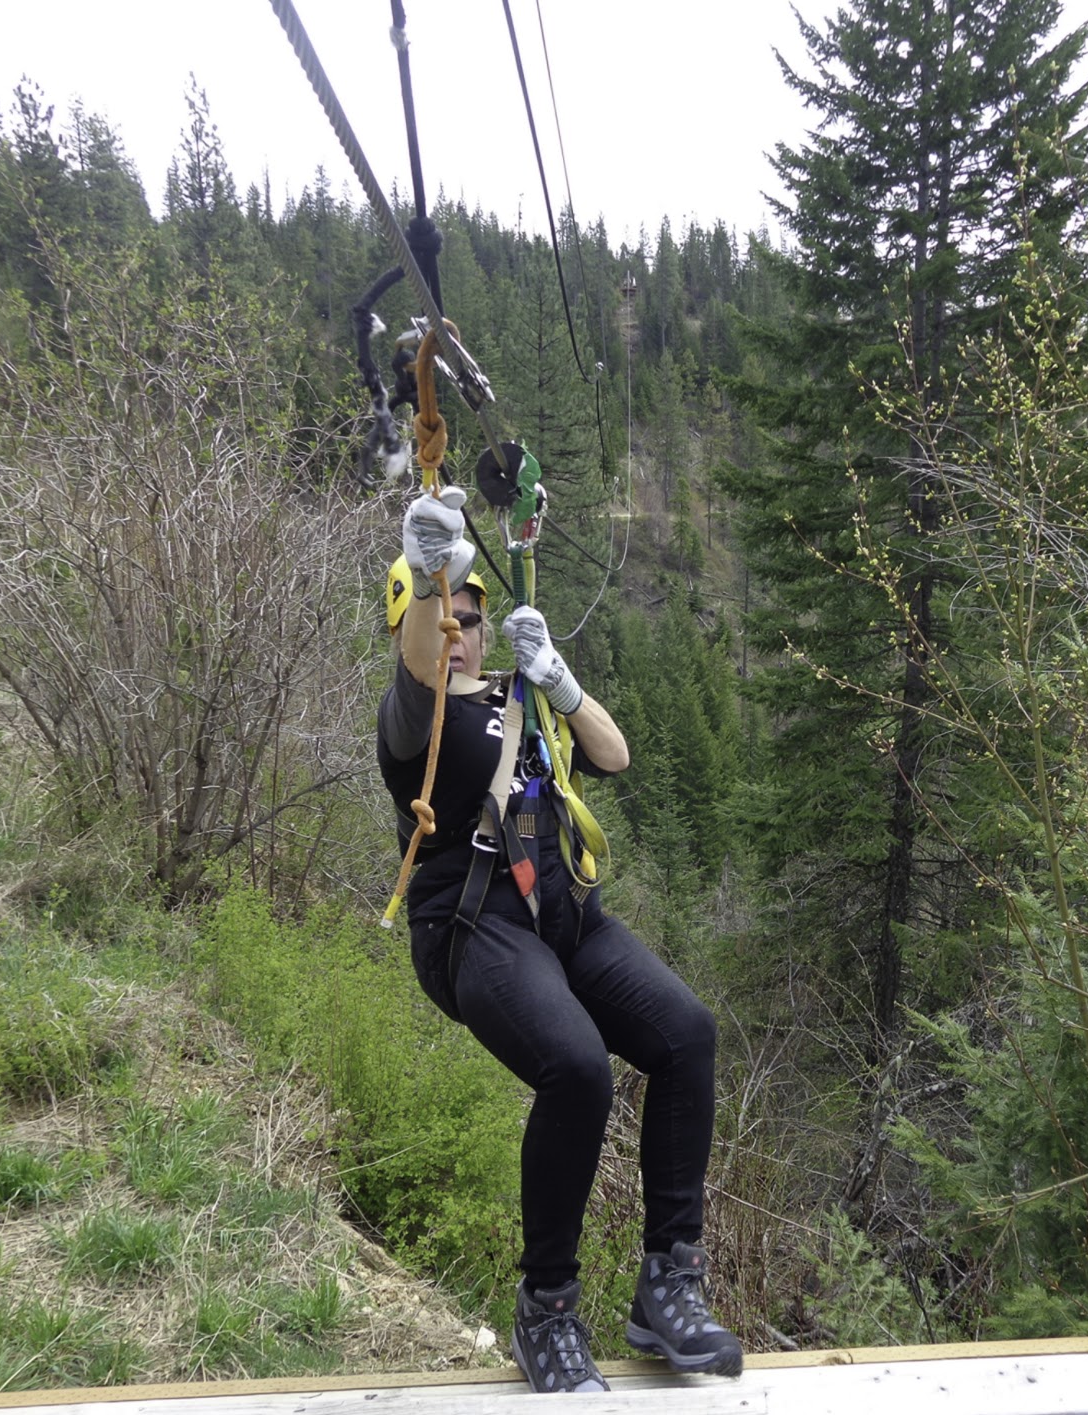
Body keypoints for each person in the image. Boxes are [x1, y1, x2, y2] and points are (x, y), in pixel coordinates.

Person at [375, 488, 744, 1394]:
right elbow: (421, 661)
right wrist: (428, 571)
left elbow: (613, 756)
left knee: (687, 1034)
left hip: (566, 915)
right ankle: (546, 1307)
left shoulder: (522, 696)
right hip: (475, 925)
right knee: (578, 1068)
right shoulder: (414, 722)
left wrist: (563, 684)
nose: (459, 632)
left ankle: (668, 1284)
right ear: (414, 626)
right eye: (443, 617)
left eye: (470, 617)